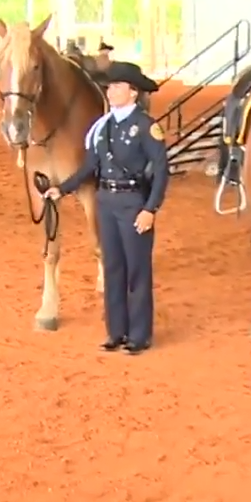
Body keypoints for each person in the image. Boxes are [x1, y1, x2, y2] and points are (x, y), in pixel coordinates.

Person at [44, 62, 167, 354]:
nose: (110, 91)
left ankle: (139, 335)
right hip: (107, 203)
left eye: (117, 86)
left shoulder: (146, 127)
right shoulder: (103, 127)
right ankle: (116, 331)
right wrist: (62, 189)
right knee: (113, 269)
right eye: (109, 86)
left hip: (134, 203)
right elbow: (89, 166)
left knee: (137, 271)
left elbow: (162, 171)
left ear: (133, 93)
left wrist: (150, 209)